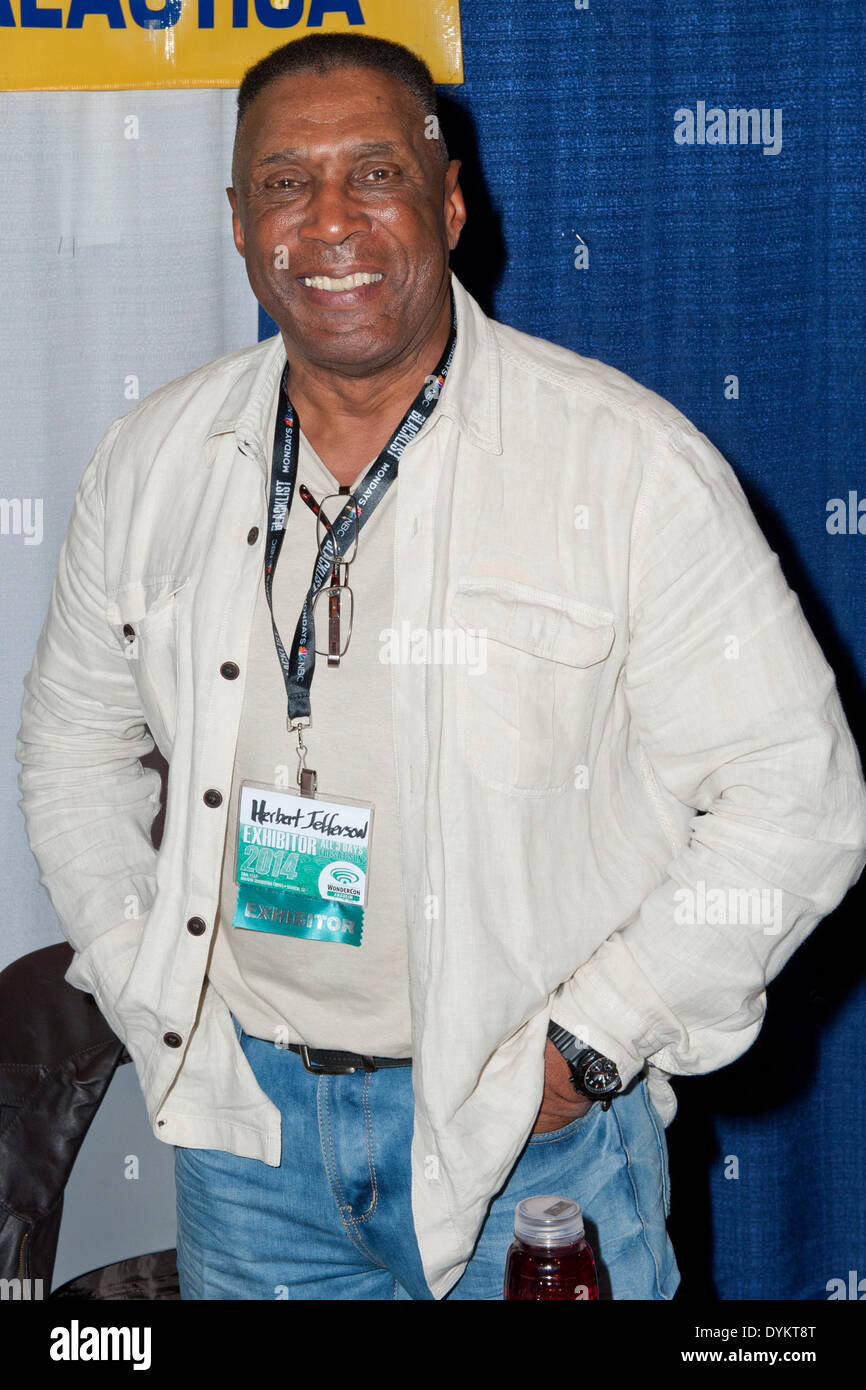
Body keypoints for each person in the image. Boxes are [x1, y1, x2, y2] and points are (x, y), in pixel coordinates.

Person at [15, 32, 866, 1302]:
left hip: (533, 1148)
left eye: (374, 172)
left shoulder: (623, 466)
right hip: (244, 1145)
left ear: (450, 202)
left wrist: (584, 1049)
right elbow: (68, 751)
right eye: (284, 183)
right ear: (239, 224)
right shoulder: (149, 466)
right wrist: (149, 978)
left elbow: (796, 801)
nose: (330, 220)